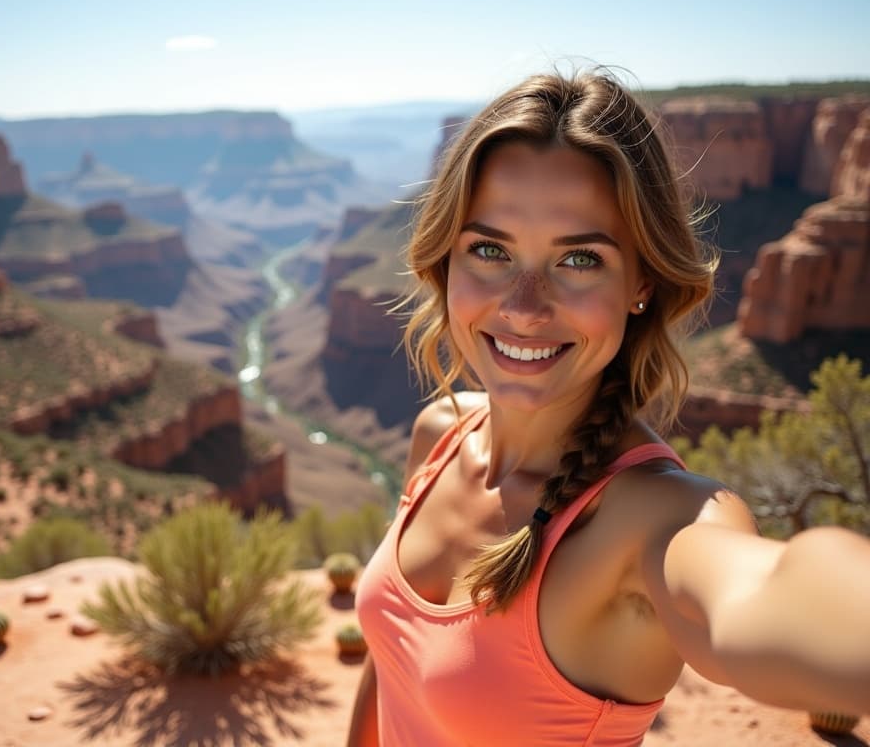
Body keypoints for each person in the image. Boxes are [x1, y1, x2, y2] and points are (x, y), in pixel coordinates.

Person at [347, 69, 870, 746]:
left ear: (641, 283)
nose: (524, 306)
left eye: (579, 261)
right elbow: (391, 675)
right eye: (488, 249)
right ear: (444, 262)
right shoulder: (439, 437)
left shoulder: (656, 520)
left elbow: (764, 596)